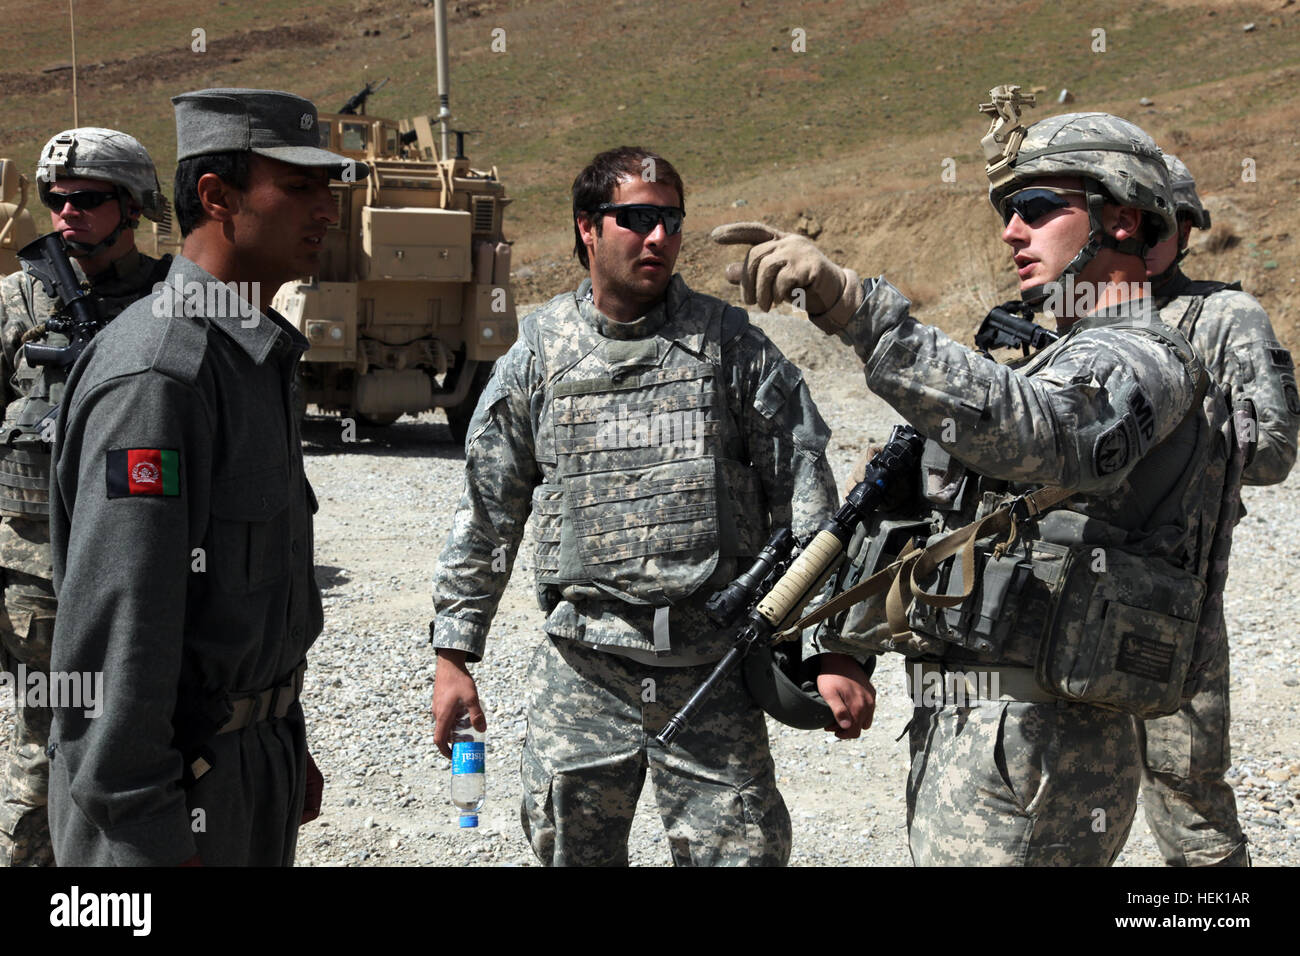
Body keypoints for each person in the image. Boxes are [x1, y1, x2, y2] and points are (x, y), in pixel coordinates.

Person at [713, 102, 1230, 866]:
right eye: (1007, 212)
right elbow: (937, 526)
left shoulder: (1144, 358)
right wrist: (846, 643)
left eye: (1035, 208)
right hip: (979, 738)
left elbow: (1046, 434)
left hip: (1041, 751)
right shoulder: (1059, 359)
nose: (1010, 231)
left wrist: (855, 310)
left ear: (1120, 220)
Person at [429, 145, 874, 866]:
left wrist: (830, 649)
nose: (659, 237)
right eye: (636, 218)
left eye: (670, 219)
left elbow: (807, 502)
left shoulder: (729, 348)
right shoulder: (541, 354)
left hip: (712, 670)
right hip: (586, 675)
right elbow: (488, 511)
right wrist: (454, 653)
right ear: (587, 228)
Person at [45, 89, 360, 865]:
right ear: (217, 197)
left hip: (238, 771)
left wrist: (279, 738)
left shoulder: (248, 355)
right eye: (297, 188)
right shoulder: (161, 373)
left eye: (329, 188)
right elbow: (115, 646)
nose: (326, 209)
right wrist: (147, 833)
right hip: (157, 806)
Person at [0, 128, 171, 866]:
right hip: (39, 592)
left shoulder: (177, 303)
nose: (65, 213)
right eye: (54, 200)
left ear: (131, 208)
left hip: (147, 583)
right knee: (43, 759)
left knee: (146, 758)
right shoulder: (14, 303)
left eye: (87, 200)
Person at [1135, 152, 1299, 867]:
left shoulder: (1225, 316)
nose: (1135, 236)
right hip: (1060, 597)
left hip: (1174, 601)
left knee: (1188, 799)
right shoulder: (1068, 318)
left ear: (1185, 229)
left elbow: (1274, 452)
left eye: (1153, 222)